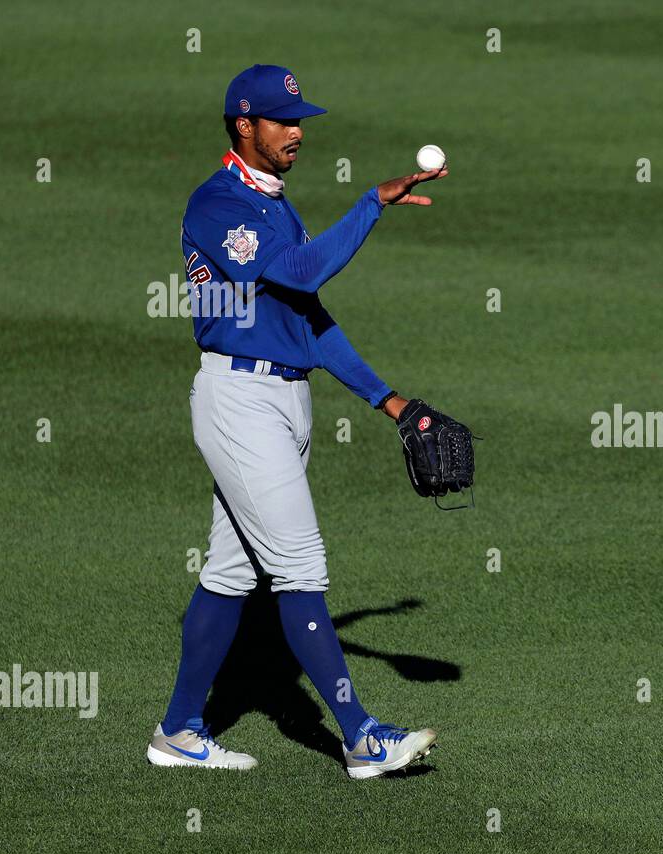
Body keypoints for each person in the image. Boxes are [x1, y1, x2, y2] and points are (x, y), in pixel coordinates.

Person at [147, 64, 446, 779]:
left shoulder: (275, 205)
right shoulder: (218, 205)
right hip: (239, 402)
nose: (297, 133)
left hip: (284, 402)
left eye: (301, 120)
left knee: (229, 572)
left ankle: (179, 731)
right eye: (283, 120)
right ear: (244, 124)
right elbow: (306, 274)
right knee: (300, 569)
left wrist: (389, 399)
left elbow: (307, 320)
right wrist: (369, 204)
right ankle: (361, 736)